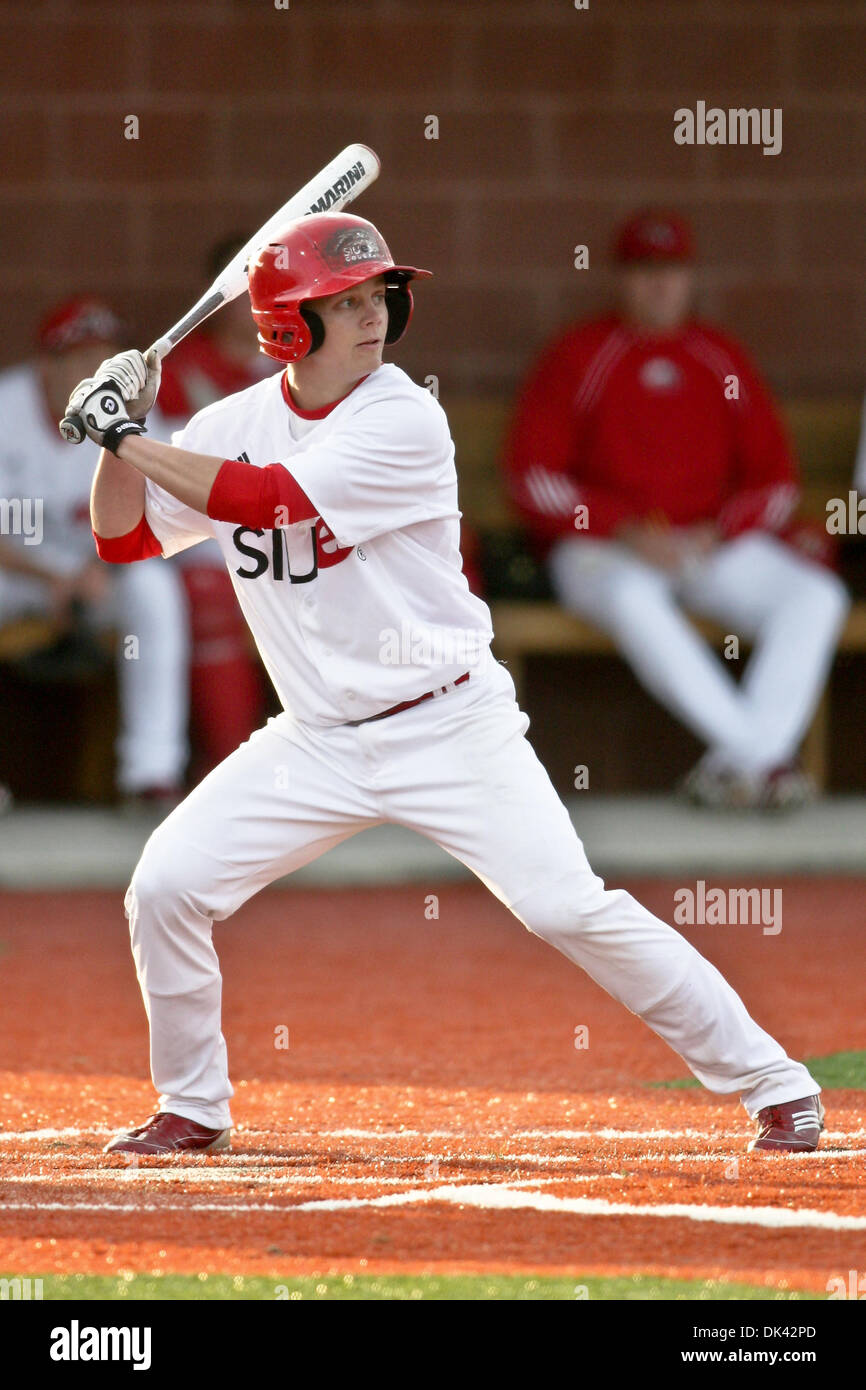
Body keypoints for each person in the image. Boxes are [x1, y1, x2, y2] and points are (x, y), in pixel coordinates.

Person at [65, 212, 823, 1157]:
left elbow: (267, 500)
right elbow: (123, 537)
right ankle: (194, 1105)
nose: (373, 315)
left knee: (566, 906)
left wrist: (129, 434)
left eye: (378, 294)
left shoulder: (403, 417)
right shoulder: (230, 425)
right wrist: (109, 440)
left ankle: (772, 1082)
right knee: (168, 887)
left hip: (449, 722)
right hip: (315, 738)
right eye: (342, 303)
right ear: (286, 326)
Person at [503, 210, 850, 810]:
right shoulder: (582, 355)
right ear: (623, 278)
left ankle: (737, 765)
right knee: (637, 601)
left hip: (703, 546)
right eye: (645, 271)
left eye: (671, 270)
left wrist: (720, 532)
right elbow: (532, 479)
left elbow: (777, 483)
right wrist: (626, 530)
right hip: (603, 551)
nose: (660, 285)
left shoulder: (720, 358)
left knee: (817, 597)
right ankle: (762, 759)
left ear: (690, 277)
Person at [0, 297, 189, 809]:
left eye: (104, 359)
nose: (94, 372)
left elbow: (161, 507)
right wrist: (48, 578)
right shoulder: (6, 408)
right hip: (17, 574)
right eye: (80, 359)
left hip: (99, 574)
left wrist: (94, 570)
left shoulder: (132, 412)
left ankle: (151, 773)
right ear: (47, 364)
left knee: (155, 592)